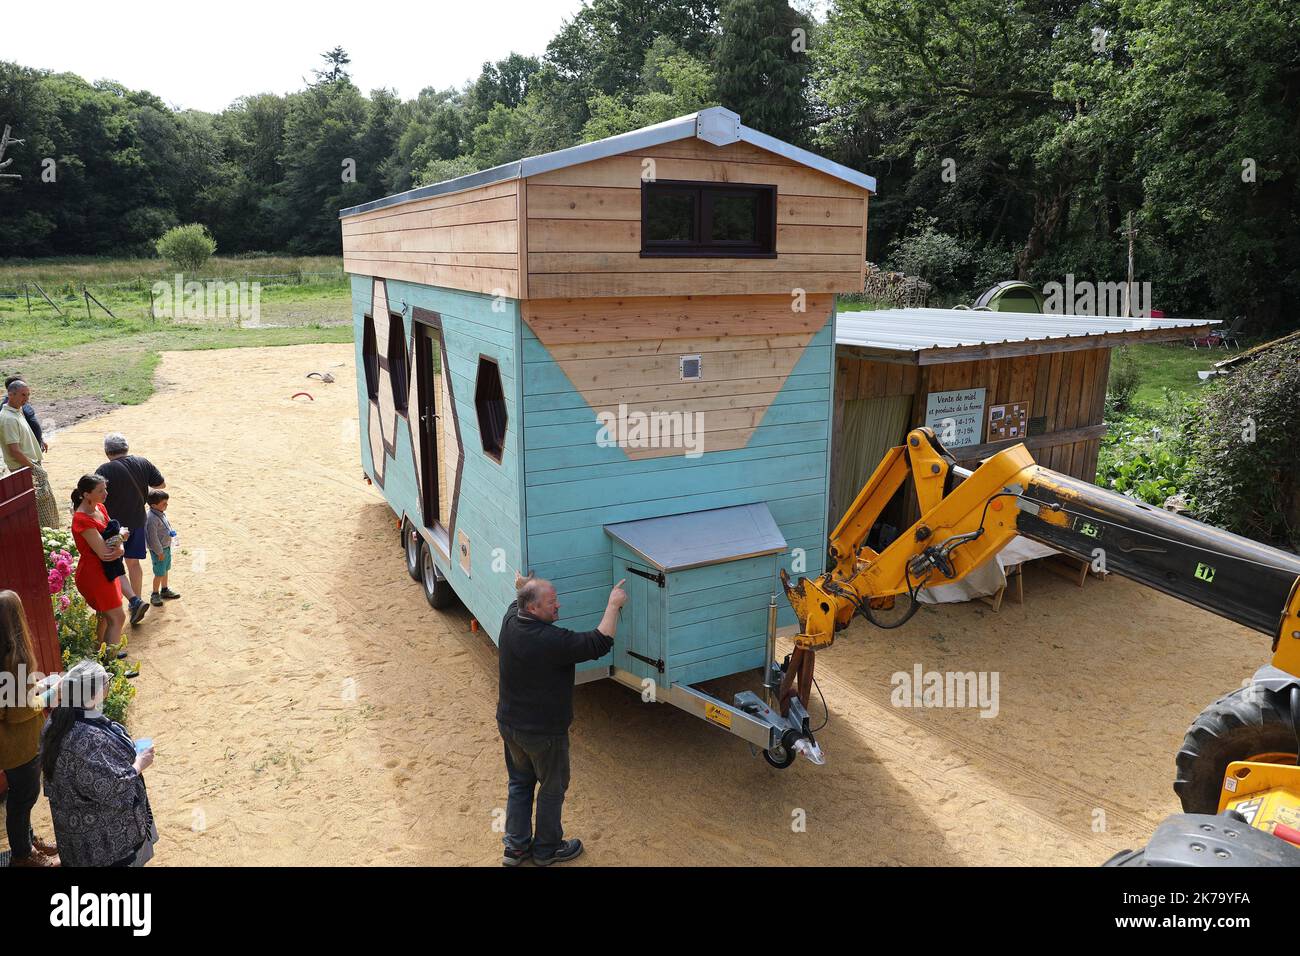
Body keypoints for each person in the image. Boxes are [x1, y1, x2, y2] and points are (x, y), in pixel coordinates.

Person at [495, 572, 626, 867]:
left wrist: (521, 587)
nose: (559, 606)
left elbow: (514, 602)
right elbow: (599, 643)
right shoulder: (551, 641)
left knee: (519, 782)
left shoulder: (510, 622)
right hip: (543, 733)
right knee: (552, 789)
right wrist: (613, 605)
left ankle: (515, 849)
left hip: (509, 725)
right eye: (552, 603)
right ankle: (547, 850)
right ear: (532, 608)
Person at [41, 660, 158, 867]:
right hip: (106, 846)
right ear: (95, 692)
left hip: (75, 837)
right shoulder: (89, 739)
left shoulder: (57, 719)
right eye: (107, 681)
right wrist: (140, 763)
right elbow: (113, 789)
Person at [0, 590, 60, 867]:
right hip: (17, 746)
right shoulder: (13, 662)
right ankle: (22, 855)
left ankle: (27, 838)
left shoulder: (8, 660)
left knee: (22, 797)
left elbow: (14, 698)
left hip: (16, 744)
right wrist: (48, 695)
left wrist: (38, 687)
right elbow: (17, 711)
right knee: (23, 798)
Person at [97, 433, 165, 610]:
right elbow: (160, 484)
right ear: (126, 447)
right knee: (133, 563)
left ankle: (127, 601)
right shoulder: (142, 462)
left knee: (114, 564)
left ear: (107, 451)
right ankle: (137, 602)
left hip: (115, 527)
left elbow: (97, 497)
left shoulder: (104, 470)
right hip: (137, 520)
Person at [71, 474, 139, 644]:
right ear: (86, 494)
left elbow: (112, 538)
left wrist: (119, 546)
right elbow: (104, 552)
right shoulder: (82, 520)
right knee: (117, 617)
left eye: (105, 489)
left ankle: (101, 656)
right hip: (96, 575)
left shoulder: (100, 507)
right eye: (101, 490)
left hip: (106, 571)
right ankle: (111, 663)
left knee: (105, 615)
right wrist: (121, 540)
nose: (106, 493)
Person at [0, 380, 59, 528]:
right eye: (23, 395)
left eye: (28, 395)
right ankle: (49, 541)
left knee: (48, 503)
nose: (26, 399)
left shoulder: (17, 411)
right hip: (24, 467)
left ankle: (54, 538)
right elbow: (14, 450)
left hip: (29, 464)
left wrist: (40, 441)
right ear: (10, 395)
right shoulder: (7, 419)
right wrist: (33, 467)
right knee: (41, 508)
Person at [144, 489, 181, 607]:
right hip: (159, 550)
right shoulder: (151, 519)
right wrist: (159, 552)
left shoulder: (159, 512)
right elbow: (153, 538)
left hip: (166, 547)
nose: (166, 505)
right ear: (154, 505)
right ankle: (155, 594)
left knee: (165, 570)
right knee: (159, 572)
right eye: (164, 503)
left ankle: (164, 590)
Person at [1, 375, 46, 452]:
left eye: (27, 394)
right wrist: (29, 463)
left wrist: (40, 439)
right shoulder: (9, 410)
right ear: (12, 391)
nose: (27, 398)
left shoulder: (21, 403)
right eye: (23, 393)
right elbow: (12, 444)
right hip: (25, 454)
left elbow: (29, 425)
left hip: (33, 448)